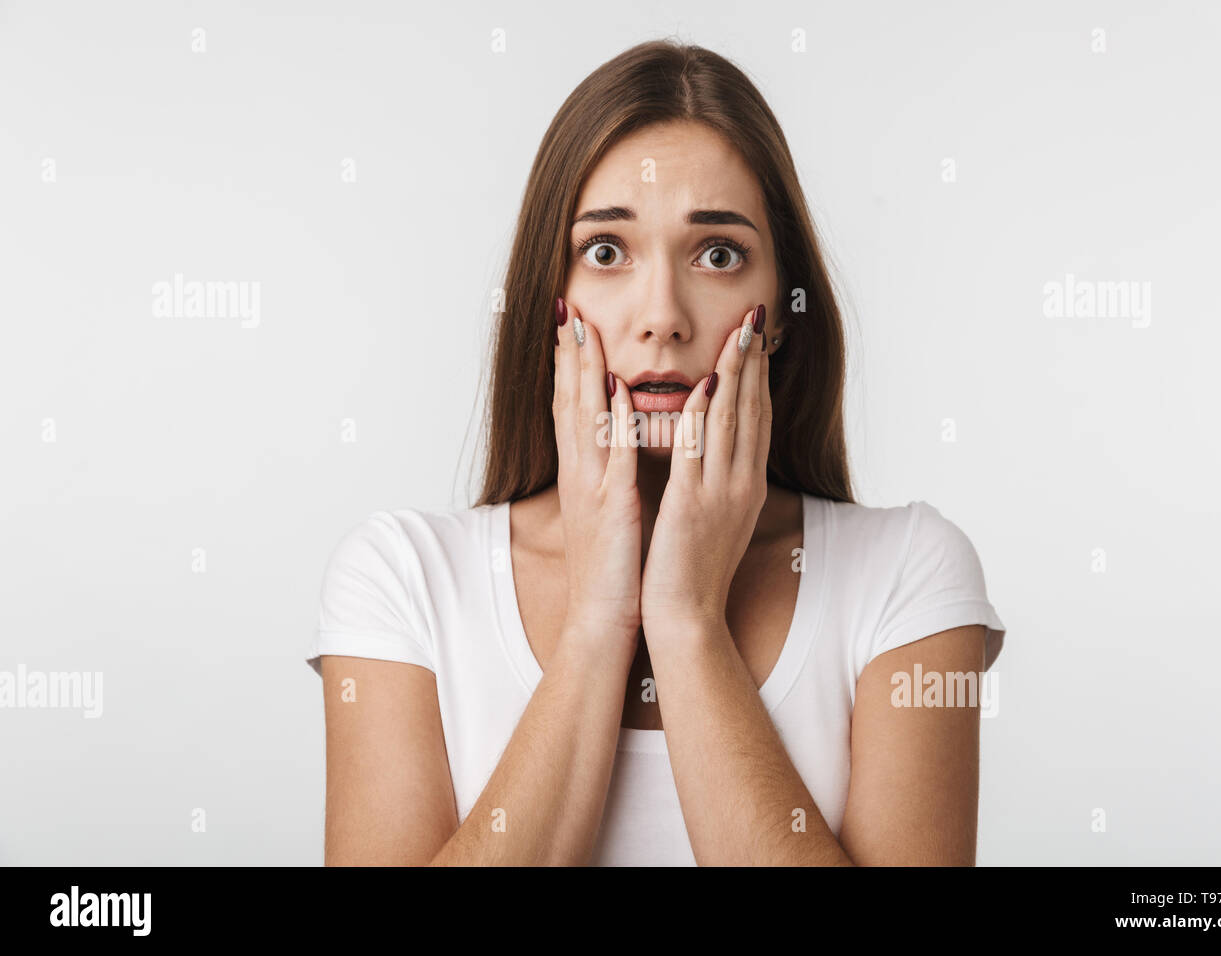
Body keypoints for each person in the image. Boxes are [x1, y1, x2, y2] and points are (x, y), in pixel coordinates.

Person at [306, 38, 1006, 866]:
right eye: (607, 252)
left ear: (779, 312)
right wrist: (601, 618)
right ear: (549, 302)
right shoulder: (402, 578)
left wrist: (686, 621)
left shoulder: (908, 571)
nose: (663, 316)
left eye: (718, 254)